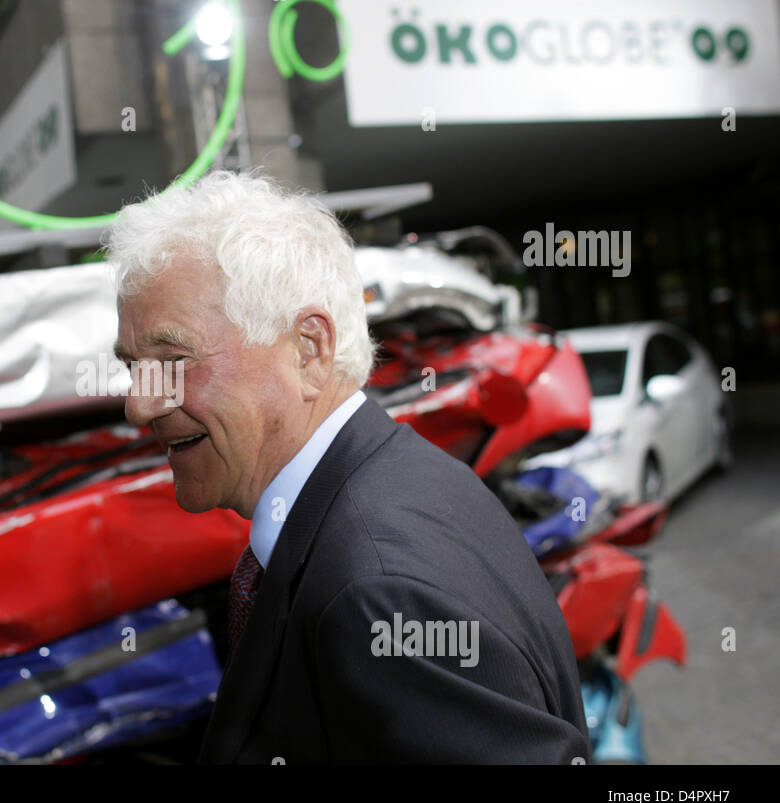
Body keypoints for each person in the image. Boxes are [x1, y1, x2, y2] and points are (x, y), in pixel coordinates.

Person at [106, 171, 591, 764]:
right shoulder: (400, 482)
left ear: (309, 350)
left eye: (173, 359)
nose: (139, 403)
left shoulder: (377, 590)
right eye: (133, 365)